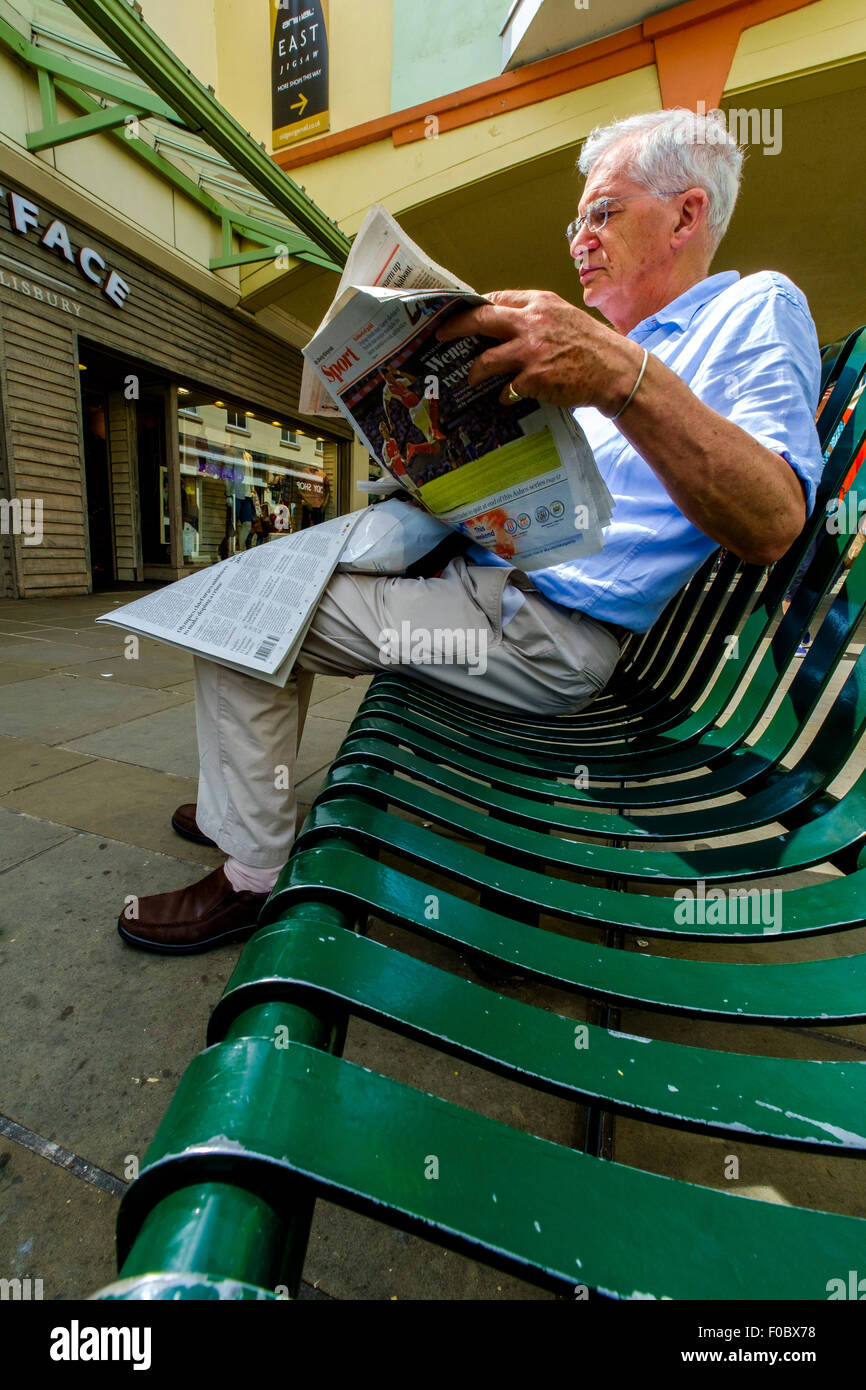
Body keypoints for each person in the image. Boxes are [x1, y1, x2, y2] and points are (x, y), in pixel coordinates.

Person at [118, 107, 823, 954]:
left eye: (603, 212)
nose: (580, 241)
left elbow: (775, 519)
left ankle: (253, 876)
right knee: (261, 585)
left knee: (240, 618)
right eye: (577, 222)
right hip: (475, 585)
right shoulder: (620, 346)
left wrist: (617, 375)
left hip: (540, 633)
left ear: (687, 213)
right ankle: (243, 799)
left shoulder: (753, 307)